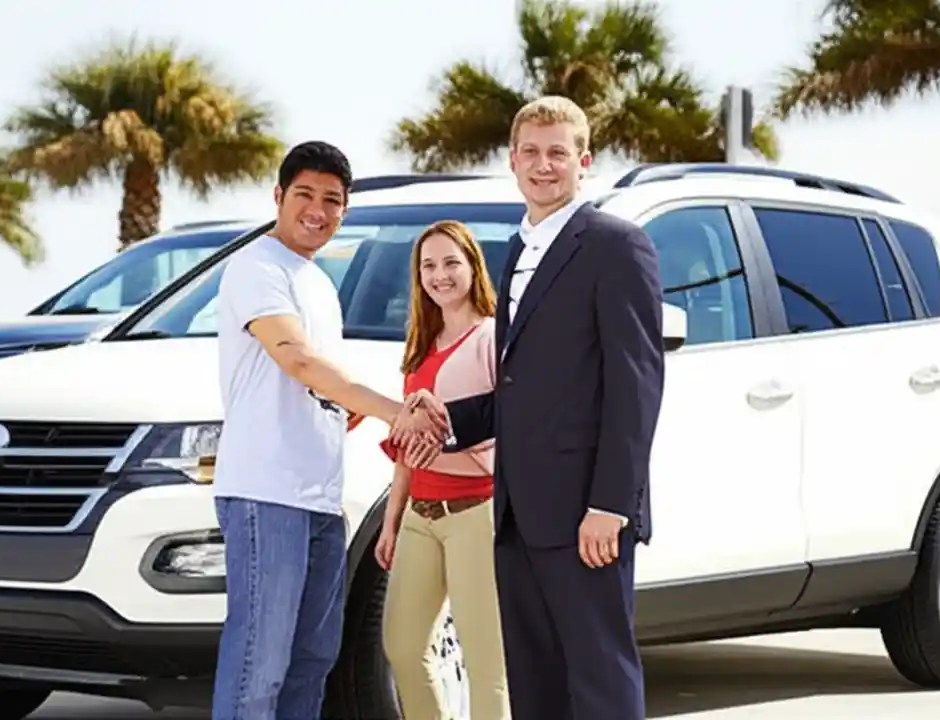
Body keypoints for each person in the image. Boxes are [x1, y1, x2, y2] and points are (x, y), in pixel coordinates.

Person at [392, 96, 666, 720]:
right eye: (532, 153)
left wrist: (611, 506)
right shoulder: (518, 251)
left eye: (558, 154)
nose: (544, 166)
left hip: (585, 517)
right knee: (535, 683)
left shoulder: (616, 245)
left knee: (599, 678)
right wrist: (449, 423)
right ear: (512, 160)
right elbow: (524, 389)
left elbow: (636, 385)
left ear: (583, 161)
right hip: (516, 516)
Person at [211, 140, 433, 720]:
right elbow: (299, 361)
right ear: (279, 196)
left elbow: (313, 380)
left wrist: (345, 405)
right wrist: (394, 410)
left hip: (320, 495)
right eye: (305, 194)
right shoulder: (256, 267)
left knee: (311, 659)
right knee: (259, 663)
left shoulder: (315, 282)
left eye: (332, 200)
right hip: (265, 493)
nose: (318, 209)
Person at [374, 220, 510, 720]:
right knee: (404, 649)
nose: (440, 275)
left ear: (473, 267)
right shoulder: (419, 349)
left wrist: (450, 430)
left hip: (476, 513)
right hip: (419, 518)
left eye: (451, 262)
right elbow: (407, 449)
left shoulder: (492, 338)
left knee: (485, 663)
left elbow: (511, 428)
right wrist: (391, 521)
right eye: (428, 266)